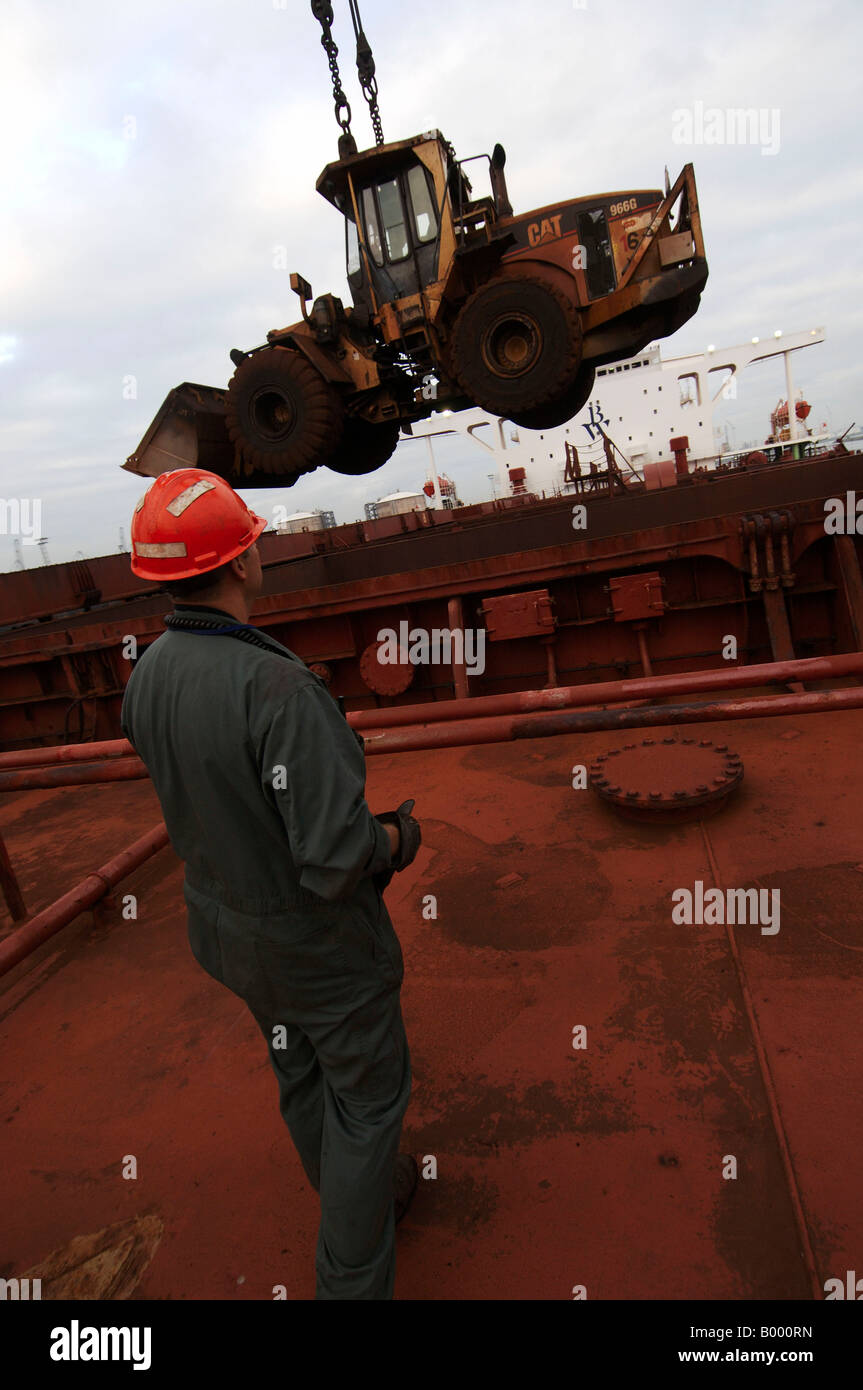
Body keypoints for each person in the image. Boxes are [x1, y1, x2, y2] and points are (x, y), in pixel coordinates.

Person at [120, 467, 421, 1300]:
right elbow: (335, 856)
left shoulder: (147, 676)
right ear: (244, 560)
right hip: (314, 946)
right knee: (367, 1103)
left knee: (299, 1072)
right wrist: (399, 839)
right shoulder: (278, 687)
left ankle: (356, 1200)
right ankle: (349, 1276)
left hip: (229, 936)